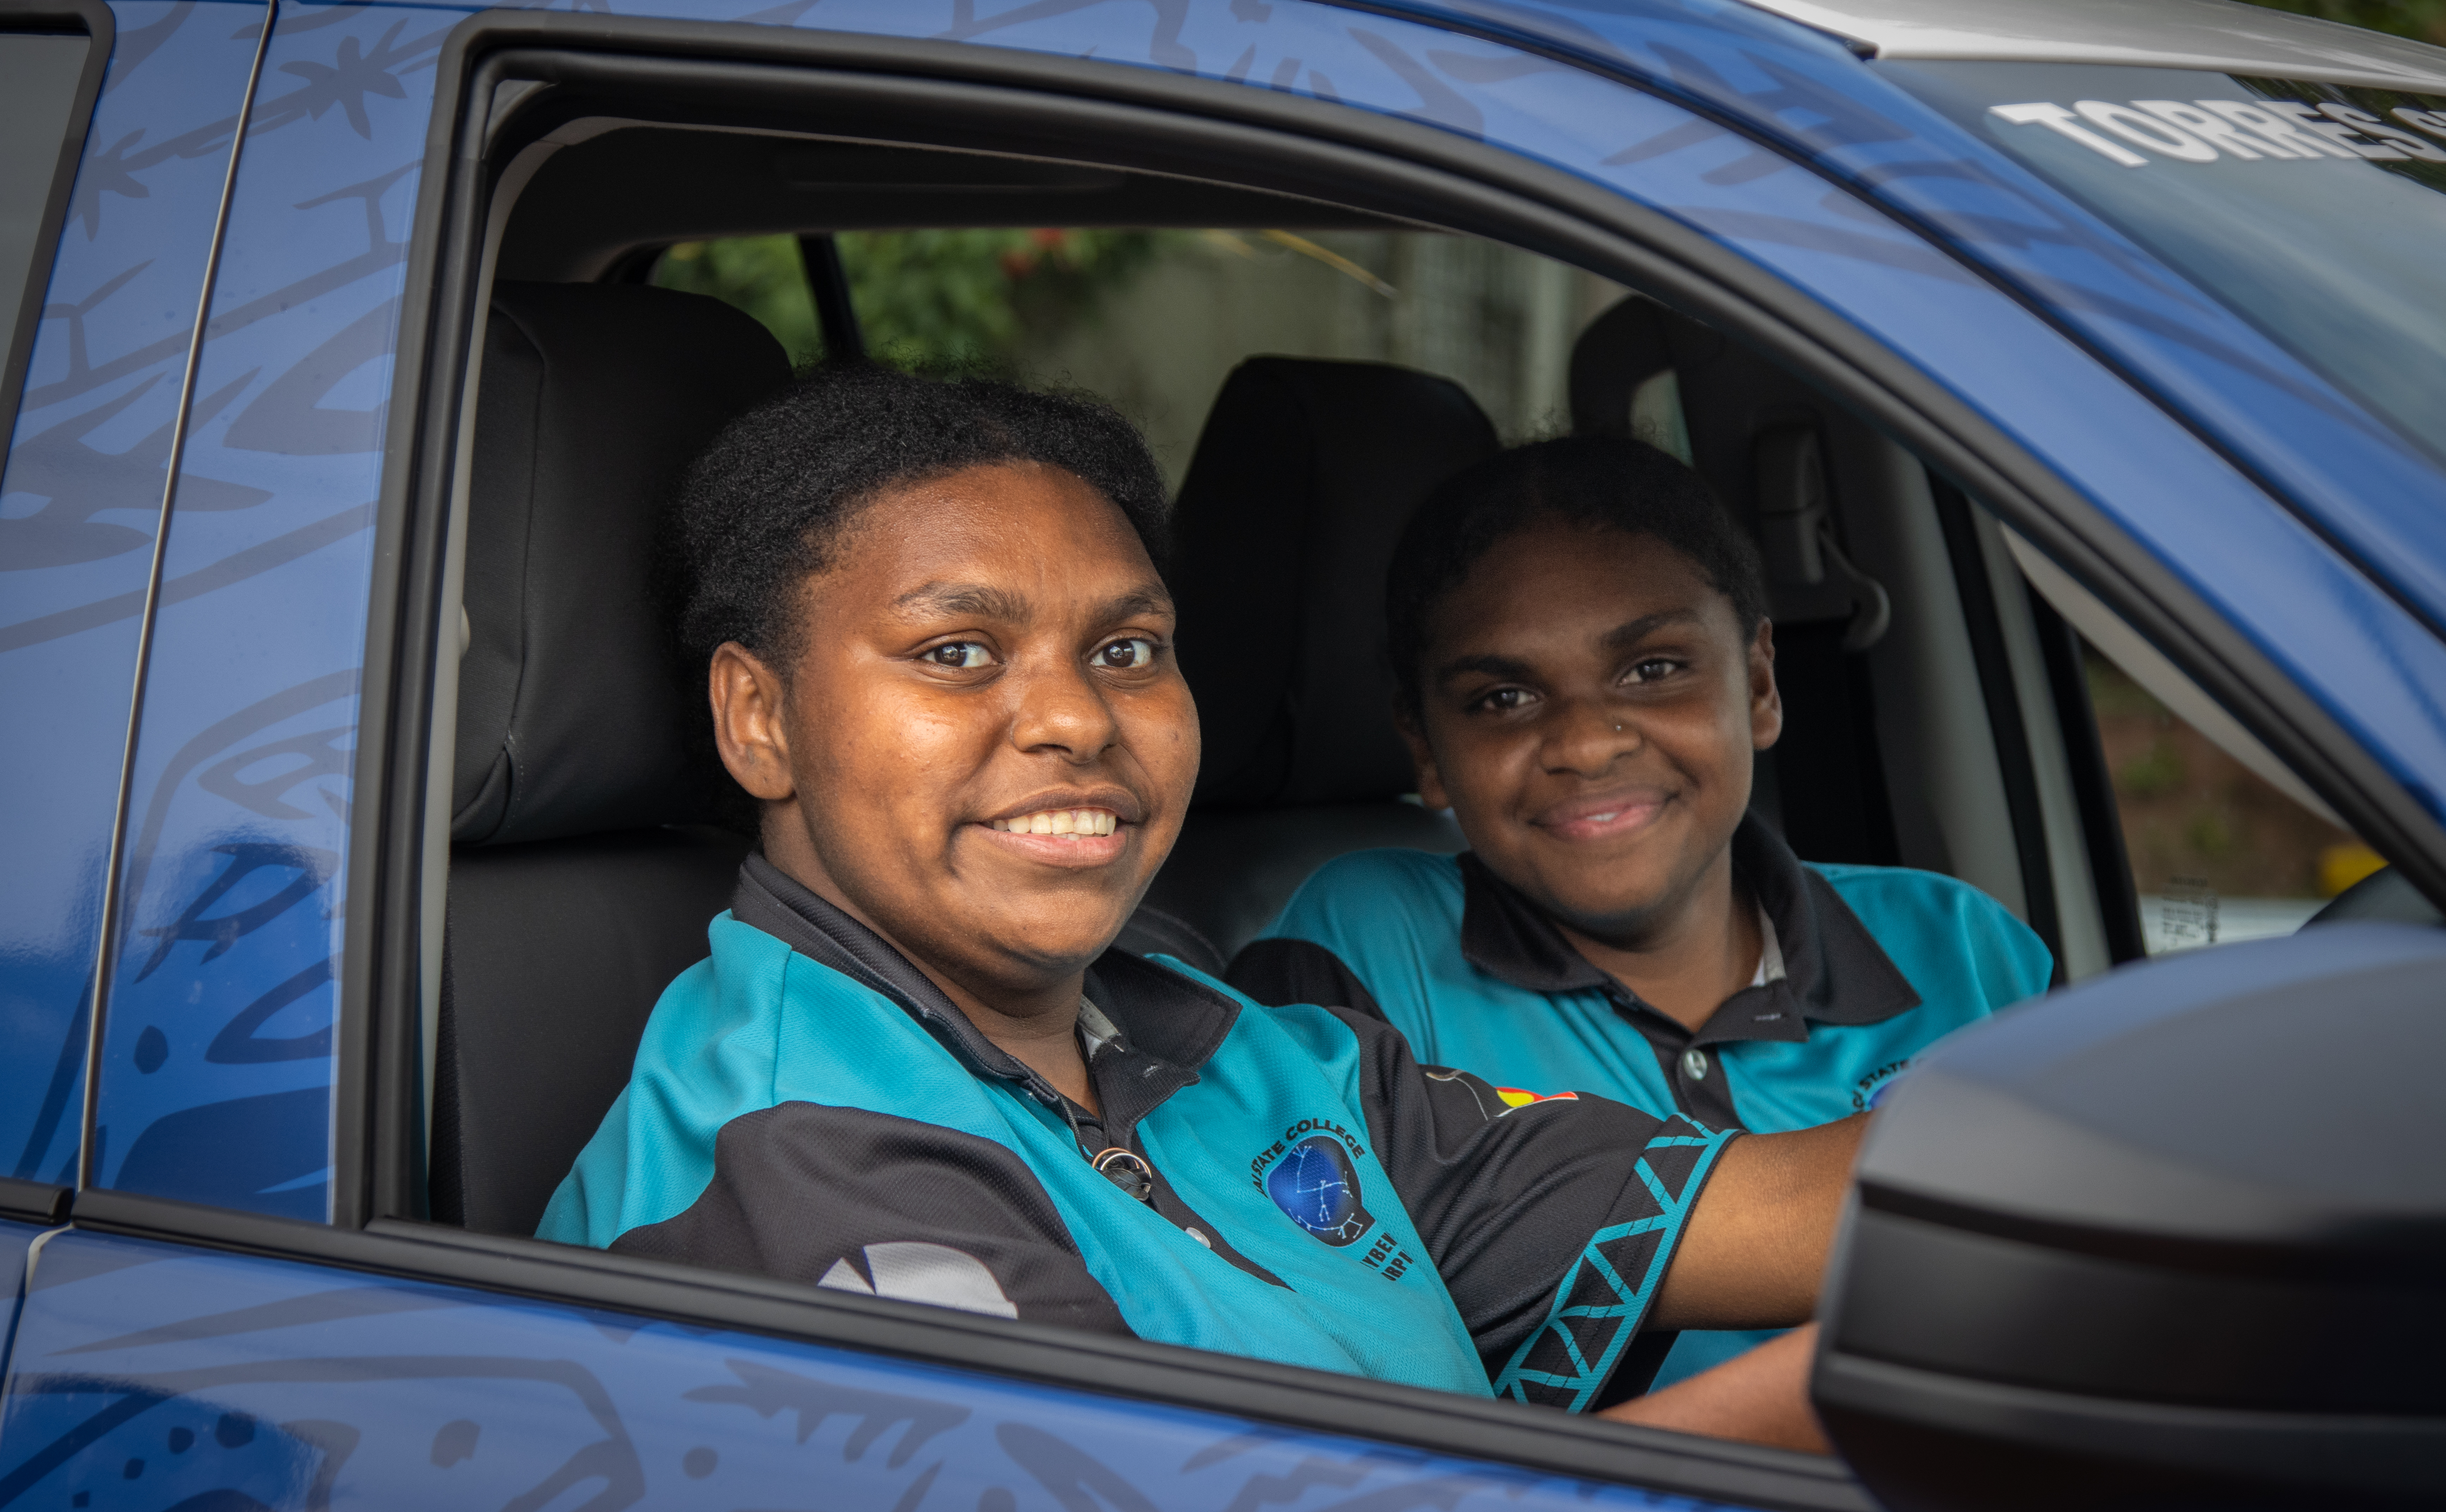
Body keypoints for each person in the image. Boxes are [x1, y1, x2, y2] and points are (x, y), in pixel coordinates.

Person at [541, 366, 1863, 1449]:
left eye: (1126, 651)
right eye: (958, 654)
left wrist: (2053, 1173)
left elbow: (1761, 1207)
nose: (1075, 717)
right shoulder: (800, 1160)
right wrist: (1869, 1394)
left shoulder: (1238, 1044)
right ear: (759, 718)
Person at [1227, 435, 2051, 1389]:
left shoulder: (1959, 946)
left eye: (1653, 670)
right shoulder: (1364, 947)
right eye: (1502, 697)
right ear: (1425, 748)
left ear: (1759, 684)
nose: (1583, 741)